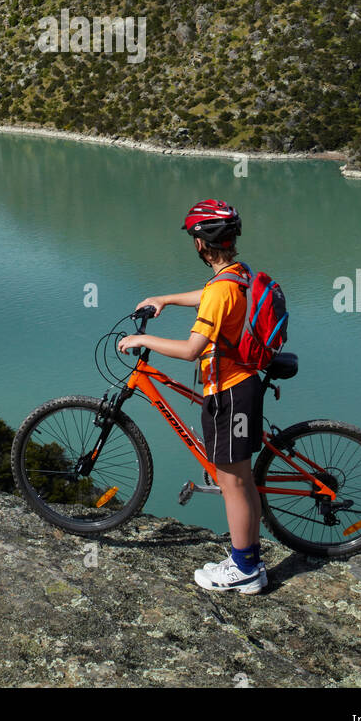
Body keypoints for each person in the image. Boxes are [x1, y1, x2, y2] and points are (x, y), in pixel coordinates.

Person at [118, 199, 266, 594]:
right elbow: (208, 295)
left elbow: (190, 349)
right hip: (242, 384)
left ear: (201, 244)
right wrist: (165, 298)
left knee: (232, 483)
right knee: (241, 479)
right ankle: (248, 558)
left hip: (229, 391)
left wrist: (142, 338)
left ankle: (244, 570)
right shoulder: (237, 273)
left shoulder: (220, 292)